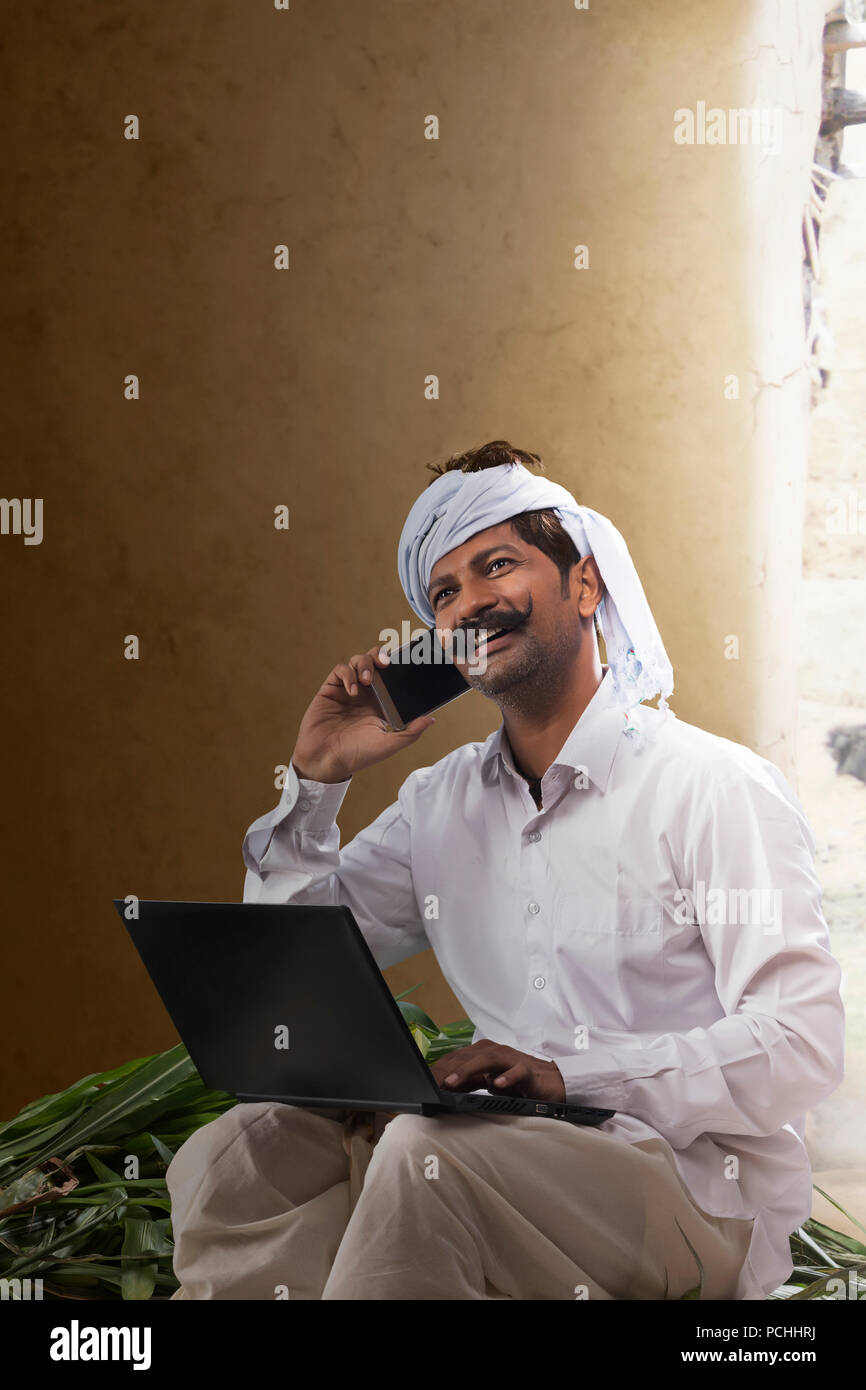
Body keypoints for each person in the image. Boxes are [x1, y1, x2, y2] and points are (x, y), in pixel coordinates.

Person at [165, 440, 845, 1301]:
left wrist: (571, 1076)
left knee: (428, 1159)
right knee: (236, 1153)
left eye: (497, 566)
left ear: (585, 584)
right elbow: (284, 986)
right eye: (445, 592)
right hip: (502, 1148)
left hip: (693, 1190)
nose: (473, 602)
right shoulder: (439, 803)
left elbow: (801, 1044)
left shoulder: (712, 787)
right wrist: (317, 784)